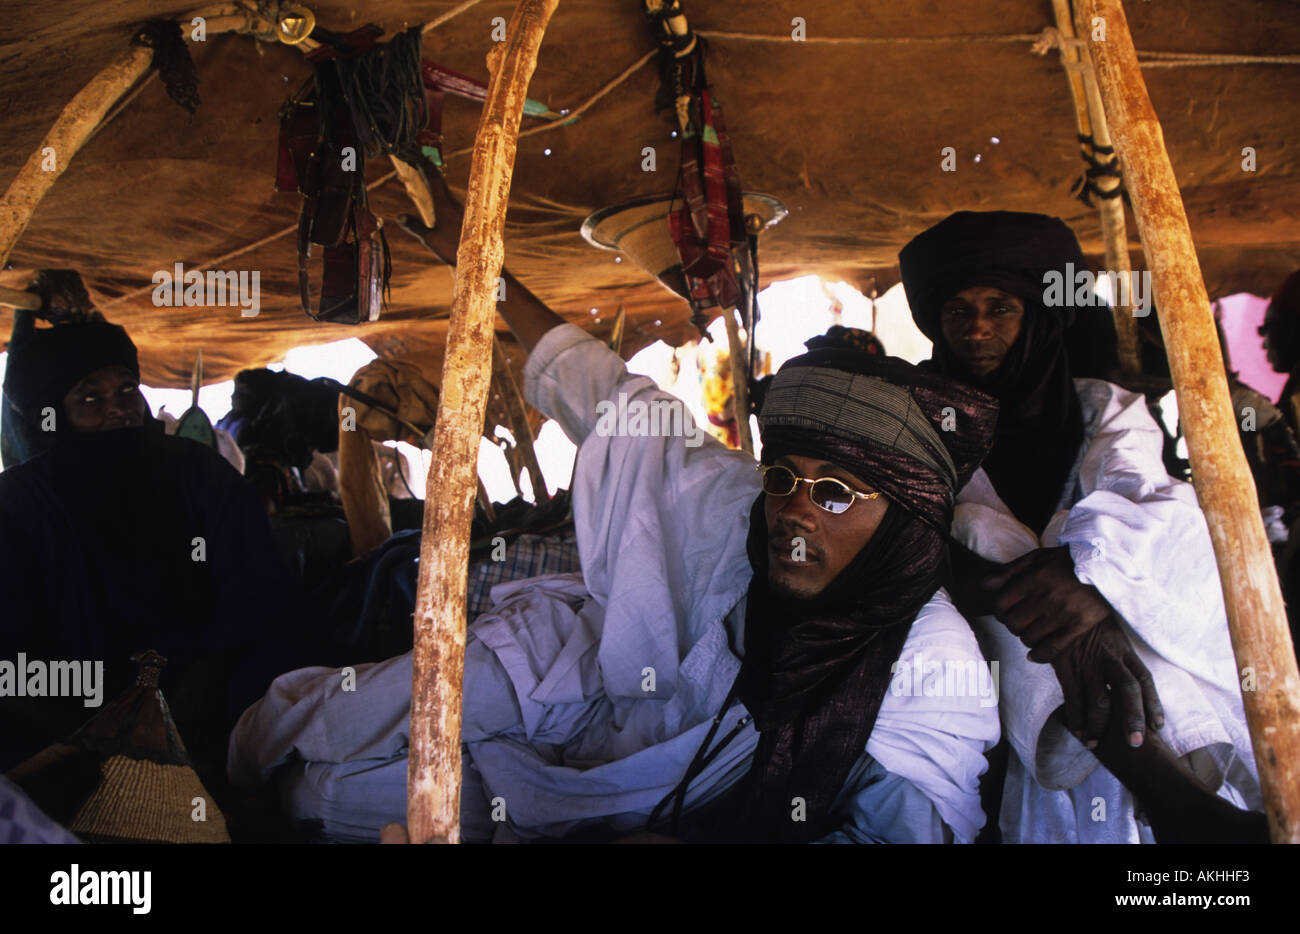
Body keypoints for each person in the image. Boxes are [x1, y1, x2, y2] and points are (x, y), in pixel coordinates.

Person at [227, 176, 1003, 844]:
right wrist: (476, 261)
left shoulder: (926, 665)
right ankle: (216, 769)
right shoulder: (736, 507)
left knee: (328, 797)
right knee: (323, 720)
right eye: (784, 481)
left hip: (622, 790)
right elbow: (606, 393)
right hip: (577, 672)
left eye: (836, 493)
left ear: (903, 521)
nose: (796, 514)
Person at [898, 210, 1265, 843]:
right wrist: (1029, 595)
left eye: (999, 308)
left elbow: (1137, 492)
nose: (977, 328)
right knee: (992, 537)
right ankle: (1172, 794)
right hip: (970, 620)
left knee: (1144, 522)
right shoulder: (918, 422)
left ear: (1038, 317)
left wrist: (1084, 577)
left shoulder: (1100, 405)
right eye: (958, 312)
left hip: (1099, 610)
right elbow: (906, 538)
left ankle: (1168, 795)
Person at [0, 318, 306, 779]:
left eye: (127, 388)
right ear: (51, 412)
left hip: (214, 719)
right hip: (66, 730)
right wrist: (92, 736)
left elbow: (256, 593)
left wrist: (187, 714)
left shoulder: (198, 475)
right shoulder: (19, 502)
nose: (120, 408)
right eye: (91, 397)